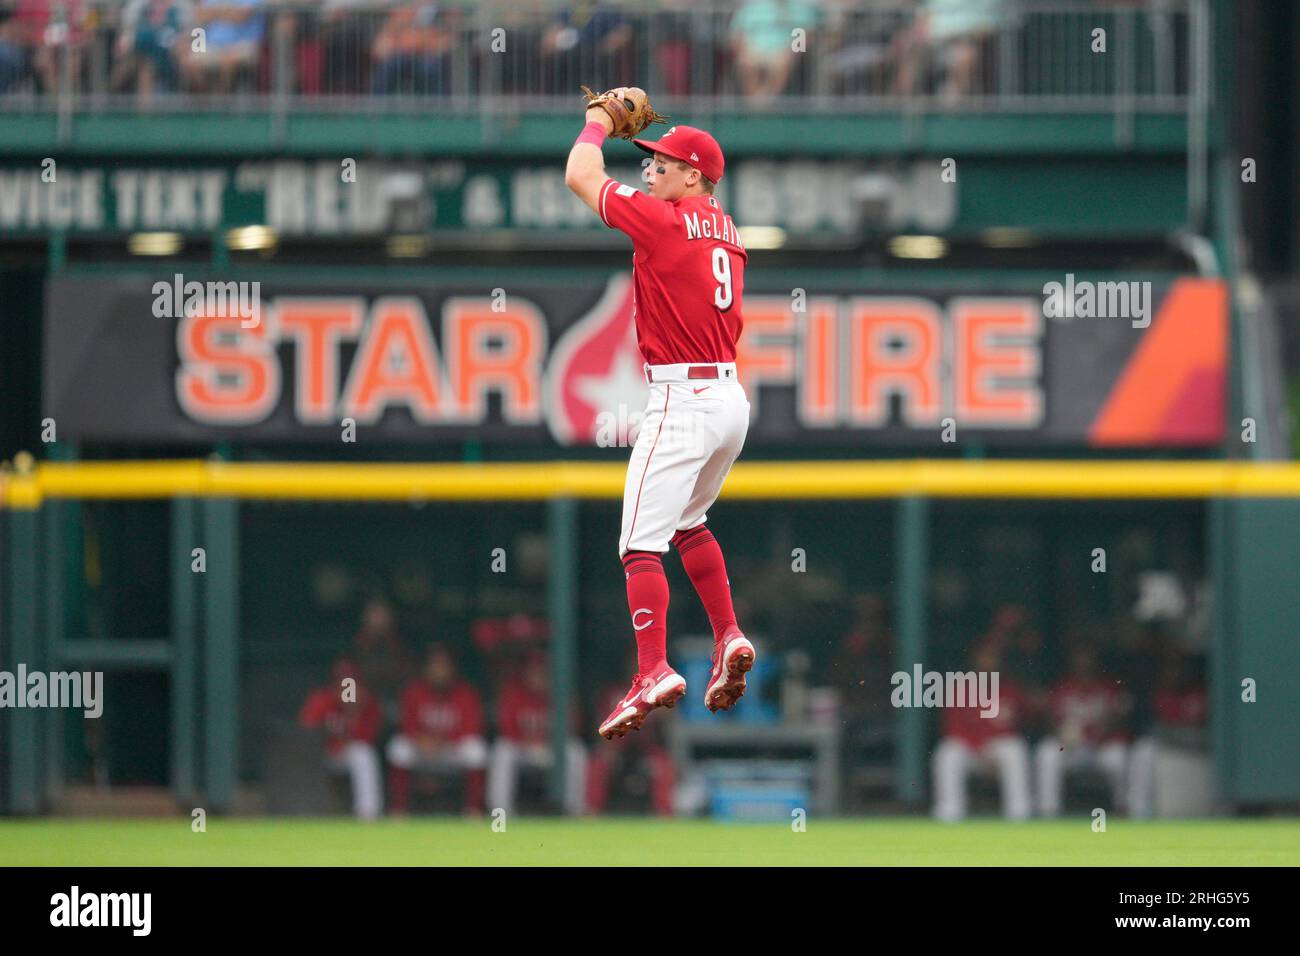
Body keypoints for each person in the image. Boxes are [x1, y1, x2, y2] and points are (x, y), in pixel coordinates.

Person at [565, 93, 756, 740]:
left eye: (663, 162)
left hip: (682, 398)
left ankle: (652, 669)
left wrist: (597, 123)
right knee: (689, 523)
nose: (649, 169)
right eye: (648, 160)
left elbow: (579, 176)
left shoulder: (664, 222)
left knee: (637, 544)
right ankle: (728, 634)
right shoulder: (725, 229)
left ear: (695, 175)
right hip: (730, 400)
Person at [931, 640, 1032, 821]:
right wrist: (978, 747)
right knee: (947, 752)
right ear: (974, 660)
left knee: (1015, 749)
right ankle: (950, 812)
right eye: (984, 657)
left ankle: (1019, 813)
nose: (988, 662)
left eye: (992, 658)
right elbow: (952, 728)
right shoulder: (960, 688)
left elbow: (1022, 721)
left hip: (997, 749)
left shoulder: (1010, 688)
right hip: (969, 748)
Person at [386, 644, 488, 815]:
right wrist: (422, 740)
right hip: (422, 748)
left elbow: (471, 727)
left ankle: (474, 810)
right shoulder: (414, 691)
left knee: (476, 750)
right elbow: (407, 725)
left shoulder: (465, 692)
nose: (439, 671)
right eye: (435, 666)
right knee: (398, 748)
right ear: (426, 668)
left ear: (452, 669)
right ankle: (398, 810)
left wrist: (443, 741)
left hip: (451, 749)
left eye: (444, 666)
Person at [1034, 645, 1133, 817]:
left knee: (1119, 755)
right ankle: (1048, 812)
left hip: (1102, 747)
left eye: (1088, 658)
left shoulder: (1109, 686)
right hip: (1072, 748)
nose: (1084, 663)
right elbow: (1049, 720)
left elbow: (1123, 717)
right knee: (1048, 751)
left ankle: (1124, 810)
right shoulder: (1063, 687)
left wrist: (1107, 727)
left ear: (1095, 661)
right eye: (1080, 659)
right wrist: (1060, 732)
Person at [487, 651, 587, 816]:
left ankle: (574, 808)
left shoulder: (561, 694)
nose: (537, 676)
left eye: (542, 672)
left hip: (551, 749)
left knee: (576, 751)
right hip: (522, 749)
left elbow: (574, 726)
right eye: (533, 671)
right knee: (502, 750)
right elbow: (506, 728)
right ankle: (501, 811)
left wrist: (549, 742)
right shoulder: (514, 693)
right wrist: (526, 741)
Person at [298, 656, 384, 819]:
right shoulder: (322, 699)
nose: (346, 686)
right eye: (342, 681)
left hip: (345, 755)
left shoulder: (367, 703)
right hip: (320, 754)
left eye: (350, 681)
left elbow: (368, 737)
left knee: (363, 754)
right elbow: (305, 732)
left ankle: (368, 813)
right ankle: (304, 811)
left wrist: (355, 712)